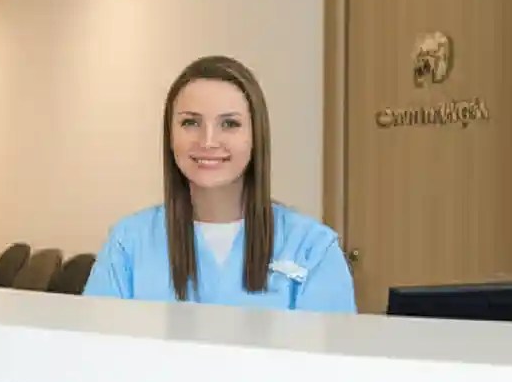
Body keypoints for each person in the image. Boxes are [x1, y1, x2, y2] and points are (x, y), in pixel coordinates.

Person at [83, 55, 357, 313]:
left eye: (229, 124)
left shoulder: (312, 249)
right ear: (170, 135)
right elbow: (95, 352)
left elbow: (330, 359)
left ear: (255, 136)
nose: (208, 141)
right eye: (190, 122)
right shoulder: (128, 244)